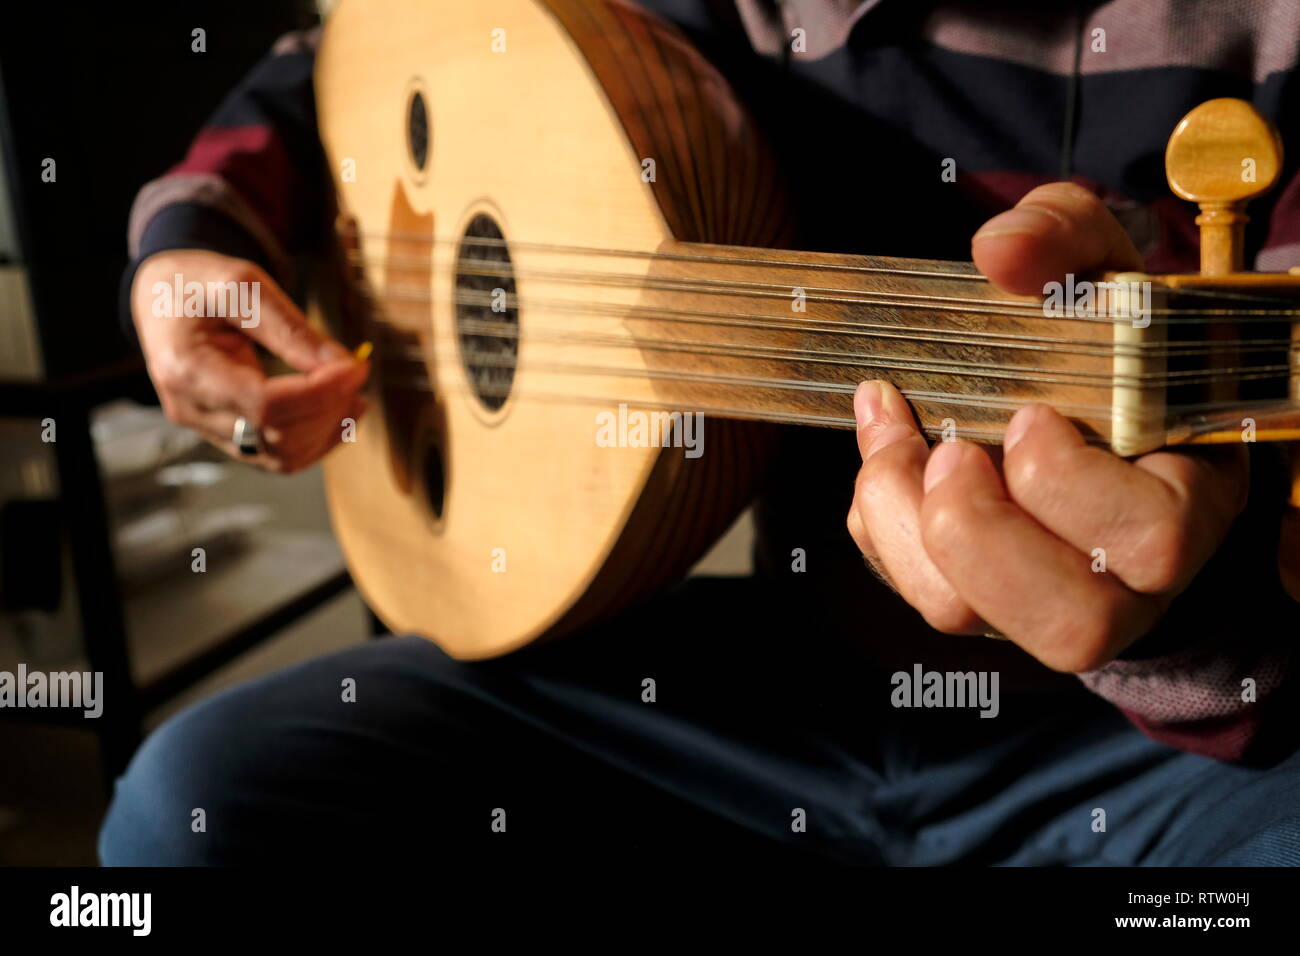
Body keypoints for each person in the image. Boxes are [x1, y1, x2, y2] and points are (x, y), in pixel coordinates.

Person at [100, 0, 1300, 865]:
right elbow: (344, 55)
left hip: (1157, 751)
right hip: (757, 697)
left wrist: (1177, 612)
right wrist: (191, 250)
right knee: (202, 798)